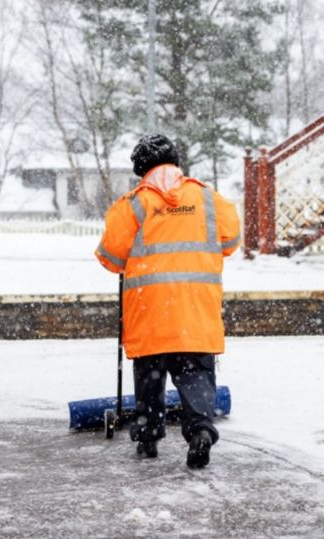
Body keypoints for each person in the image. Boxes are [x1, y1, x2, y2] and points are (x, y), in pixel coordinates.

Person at [94, 133, 240, 469]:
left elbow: (109, 257)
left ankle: (148, 436)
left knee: (150, 374)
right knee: (196, 375)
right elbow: (231, 241)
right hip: (196, 310)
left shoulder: (133, 204)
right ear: (175, 161)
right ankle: (201, 428)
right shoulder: (208, 198)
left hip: (150, 312)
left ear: (140, 168)